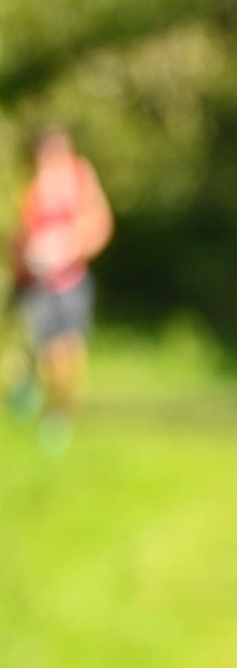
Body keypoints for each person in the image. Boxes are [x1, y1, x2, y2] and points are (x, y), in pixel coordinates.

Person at [9, 125, 112, 446]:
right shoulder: (33, 186)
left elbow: (100, 225)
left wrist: (71, 247)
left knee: (67, 350)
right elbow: (20, 235)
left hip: (69, 280)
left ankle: (59, 414)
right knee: (39, 348)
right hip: (36, 282)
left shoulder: (79, 178)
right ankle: (35, 392)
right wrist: (27, 257)